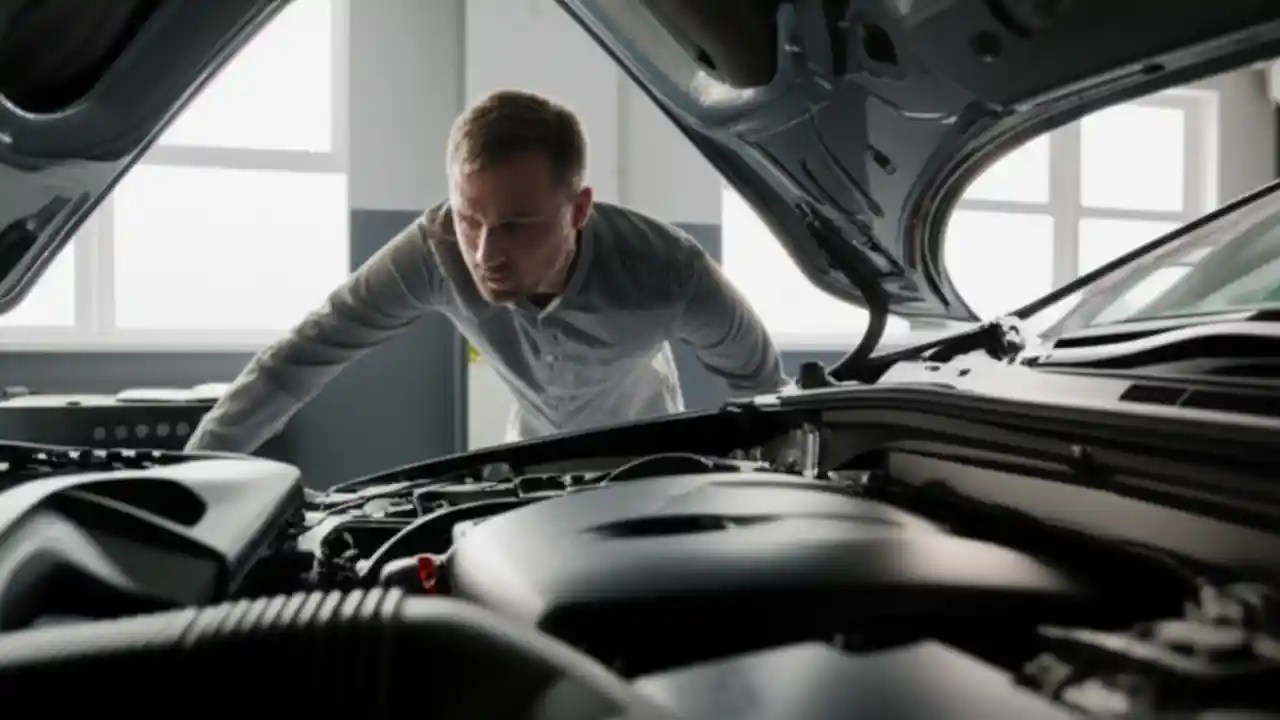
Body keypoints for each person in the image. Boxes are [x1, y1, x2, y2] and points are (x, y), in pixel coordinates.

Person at [184, 89, 787, 453]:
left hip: (652, 463)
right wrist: (192, 478)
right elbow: (300, 357)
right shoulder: (436, 249)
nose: (484, 252)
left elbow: (759, 378)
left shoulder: (666, 270)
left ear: (578, 210)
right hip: (526, 464)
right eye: (471, 218)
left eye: (517, 224)